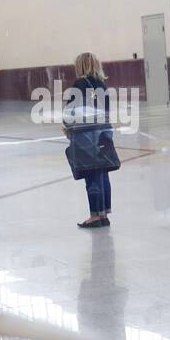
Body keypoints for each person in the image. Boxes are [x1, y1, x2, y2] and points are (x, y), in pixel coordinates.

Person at [63, 51, 114, 228]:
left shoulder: (79, 84)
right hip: (104, 133)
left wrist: (67, 127)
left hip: (86, 134)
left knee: (91, 175)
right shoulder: (103, 85)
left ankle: (94, 215)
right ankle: (104, 213)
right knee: (102, 173)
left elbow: (70, 111)